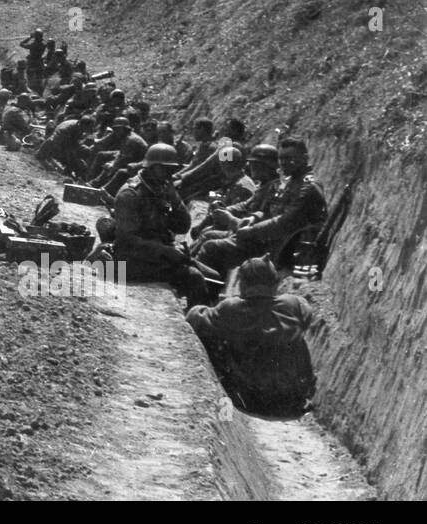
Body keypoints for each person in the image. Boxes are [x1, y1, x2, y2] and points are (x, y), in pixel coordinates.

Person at [186, 258, 315, 415]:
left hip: (248, 400)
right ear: (276, 284)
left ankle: (221, 403)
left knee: (213, 335)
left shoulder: (231, 308)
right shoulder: (294, 304)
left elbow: (194, 316)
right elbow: (307, 316)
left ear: (243, 284)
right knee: (296, 340)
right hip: (291, 401)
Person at [194, 140, 326, 278]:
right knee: (211, 239)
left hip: (282, 249)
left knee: (211, 248)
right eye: (282, 158)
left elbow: (284, 222)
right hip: (268, 240)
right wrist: (254, 217)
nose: (284, 162)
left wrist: (250, 230)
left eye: (289, 158)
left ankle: (200, 289)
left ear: (304, 158)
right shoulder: (290, 182)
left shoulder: (308, 187)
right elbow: (269, 209)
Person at [111, 143, 212, 303]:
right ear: (152, 167)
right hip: (131, 260)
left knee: (214, 277)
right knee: (195, 278)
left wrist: (175, 199)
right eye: (165, 169)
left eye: (171, 170)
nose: (169, 174)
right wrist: (165, 250)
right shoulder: (130, 194)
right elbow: (127, 240)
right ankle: (200, 320)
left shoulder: (160, 189)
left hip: (156, 254)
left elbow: (183, 227)